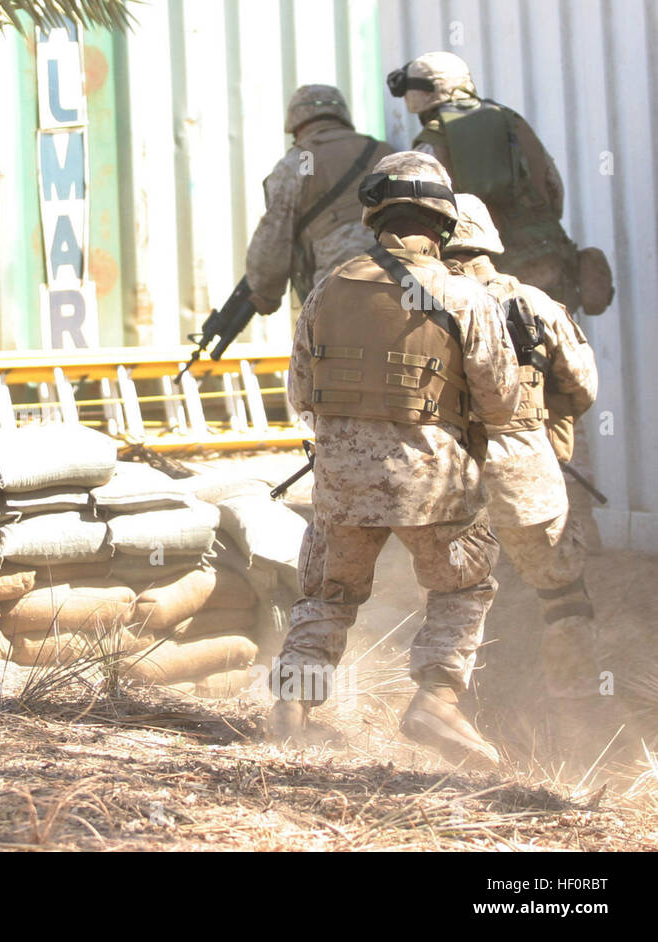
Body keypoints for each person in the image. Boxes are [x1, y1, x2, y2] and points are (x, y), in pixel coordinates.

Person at [269, 151, 521, 768]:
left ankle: (289, 712)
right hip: (434, 480)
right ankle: (437, 698)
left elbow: (301, 393)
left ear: (374, 212)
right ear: (444, 220)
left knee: (328, 592)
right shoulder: (463, 296)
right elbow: (501, 399)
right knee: (463, 586)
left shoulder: (328, 287)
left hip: (341, 480)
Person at [441, 193, 605, 747]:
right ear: (489, 239)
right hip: (524, 470)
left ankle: (447, 709)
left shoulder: (414, 302)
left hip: (443, 474)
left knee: (451, 594)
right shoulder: (531, 302)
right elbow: (581, 386)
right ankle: (581, 720)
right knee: (561, 594)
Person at [389, 51, 613, 319]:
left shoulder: (432, 142)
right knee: (558, 352)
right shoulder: (512, 122)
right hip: (551, 263)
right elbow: (554, 188)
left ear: (418, 96)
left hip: (487, 281)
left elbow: (421, 218)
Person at [244, 85, 394, 314]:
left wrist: (265, 292)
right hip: (401, 279)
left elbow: (274, 234)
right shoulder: (385, 152)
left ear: (295, 123)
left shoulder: (297, 162)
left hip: (340, 285)